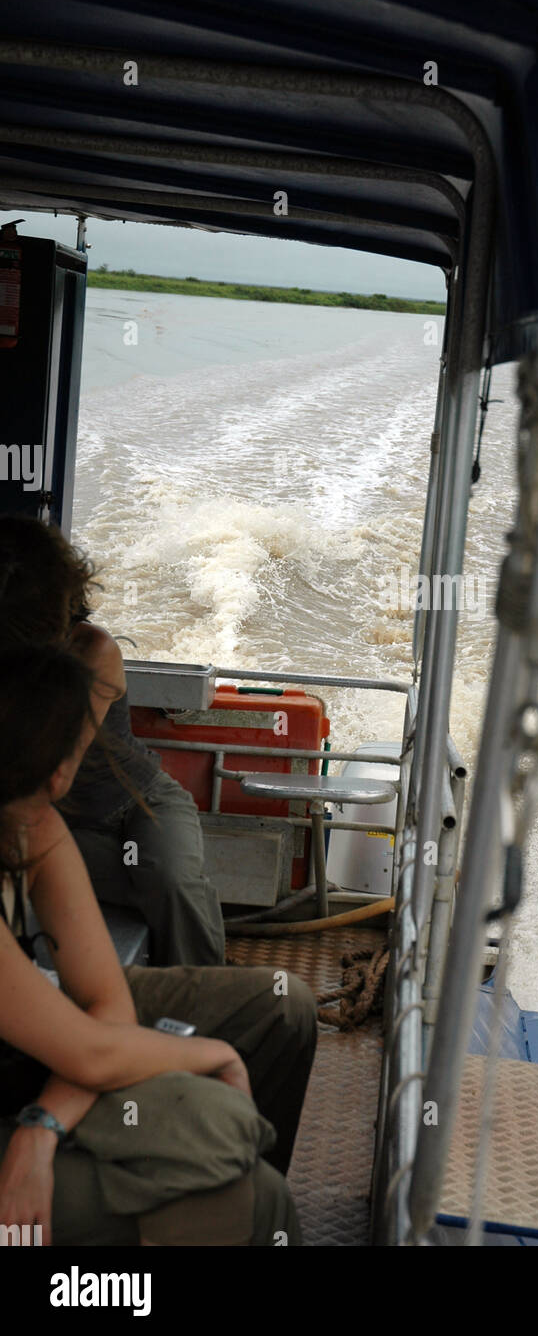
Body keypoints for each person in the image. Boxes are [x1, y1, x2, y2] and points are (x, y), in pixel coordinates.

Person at [0, 645, 316, 1245]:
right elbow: (91, 1052)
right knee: (249, 1194)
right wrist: (210, 1056)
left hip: (54, 1038)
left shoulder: (36, 823)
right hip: (38, 1059)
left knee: (282, 1004)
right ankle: (232, 1192)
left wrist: (46, 1122)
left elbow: (105, 1008)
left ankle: (232, 1172)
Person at [0, 515, 224, 966]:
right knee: (140, 875)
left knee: (168, 880)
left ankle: (206, 1001)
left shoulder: (94, 651)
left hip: (136, 809)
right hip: (66, 827)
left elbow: (55, 772)